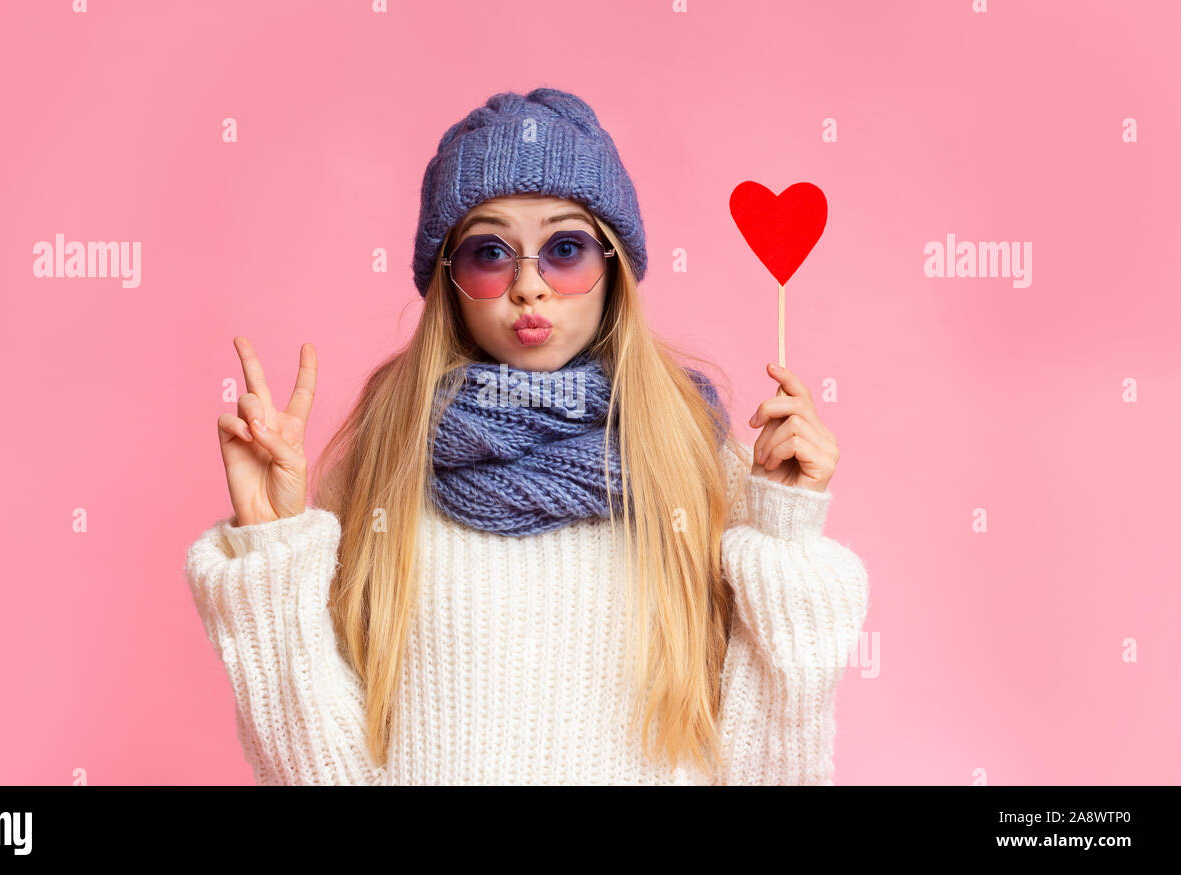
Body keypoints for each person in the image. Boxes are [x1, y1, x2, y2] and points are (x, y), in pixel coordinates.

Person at [183, 87, 869, 785]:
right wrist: (269, 546)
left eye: (565, 248)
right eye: (490, 253)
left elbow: (771, 771)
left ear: (613, 270)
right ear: (449, 279)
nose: (529, 286)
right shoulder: (387, 457)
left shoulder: (689, 456)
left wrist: (784, 536)